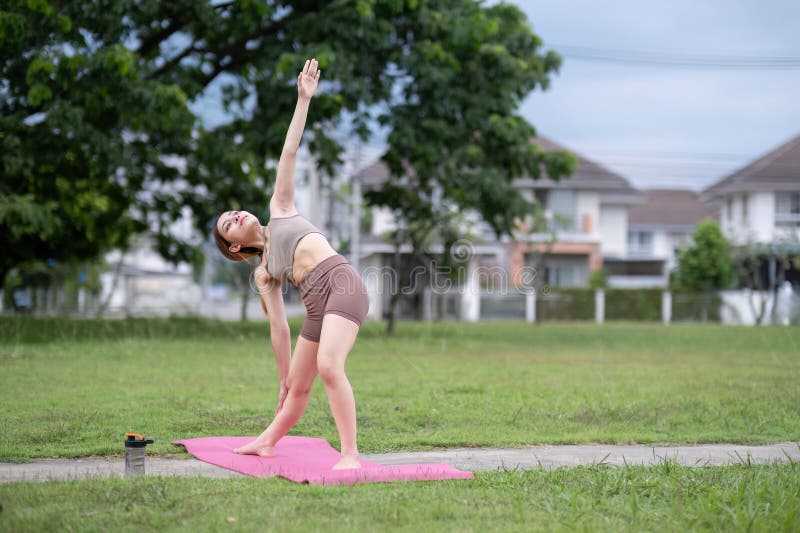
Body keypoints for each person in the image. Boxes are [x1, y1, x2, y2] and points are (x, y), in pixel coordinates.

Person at [211, 58, 369, 470]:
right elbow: (279, 328)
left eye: (234, 212)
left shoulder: (279, 208)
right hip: (317, 305)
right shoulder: (264, 274)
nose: (237, 216)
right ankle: (266, 442)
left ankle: (350, 454)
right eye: (230, 224)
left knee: (330, 367)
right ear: (233, 248)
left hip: (342, 284)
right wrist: (284, 378)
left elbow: (290, 150)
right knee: (298, 388)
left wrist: (303, 100)